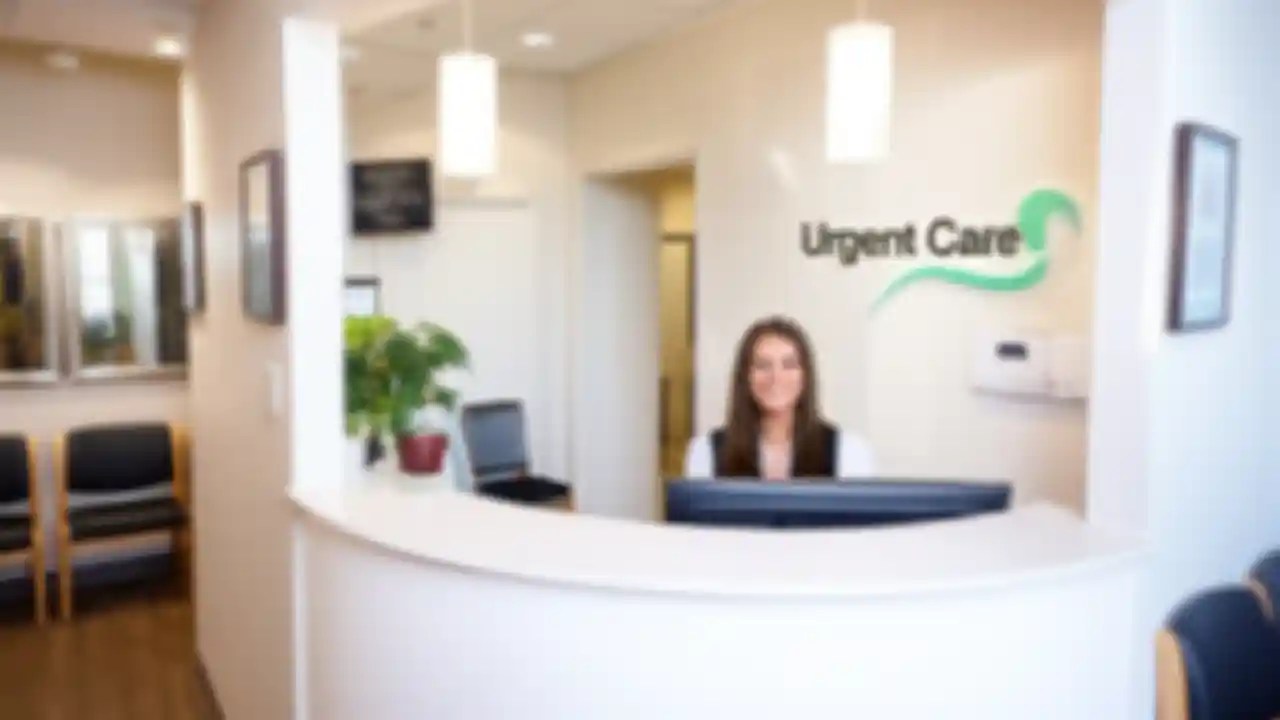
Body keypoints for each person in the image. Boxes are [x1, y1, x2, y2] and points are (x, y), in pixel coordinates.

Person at [684, 316, 874, 480]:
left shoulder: (848, 450)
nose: (776, 377)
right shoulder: (705, 452)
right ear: (745, 377)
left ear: (805, 375)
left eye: (789, 364)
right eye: (763, 365)